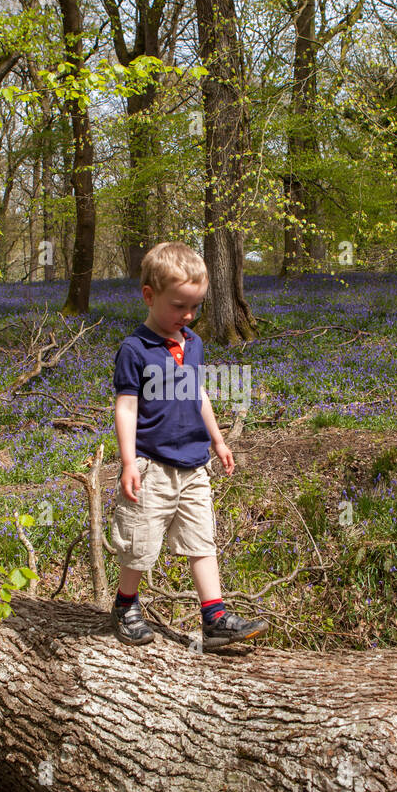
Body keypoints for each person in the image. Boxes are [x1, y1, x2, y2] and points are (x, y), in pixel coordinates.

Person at [108, 241, 268, 650]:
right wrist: (128, 462)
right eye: (180, 306)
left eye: (195, 306)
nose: (189, 315)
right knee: (139, 544)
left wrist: (217, 440)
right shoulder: (135, 349)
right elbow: (126, 408)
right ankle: (126, 605)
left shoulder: (193, 343)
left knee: (202, 540)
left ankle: (214, 617)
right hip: (151, 465)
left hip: (194, 464)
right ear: (149, 296)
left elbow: (198, 394)